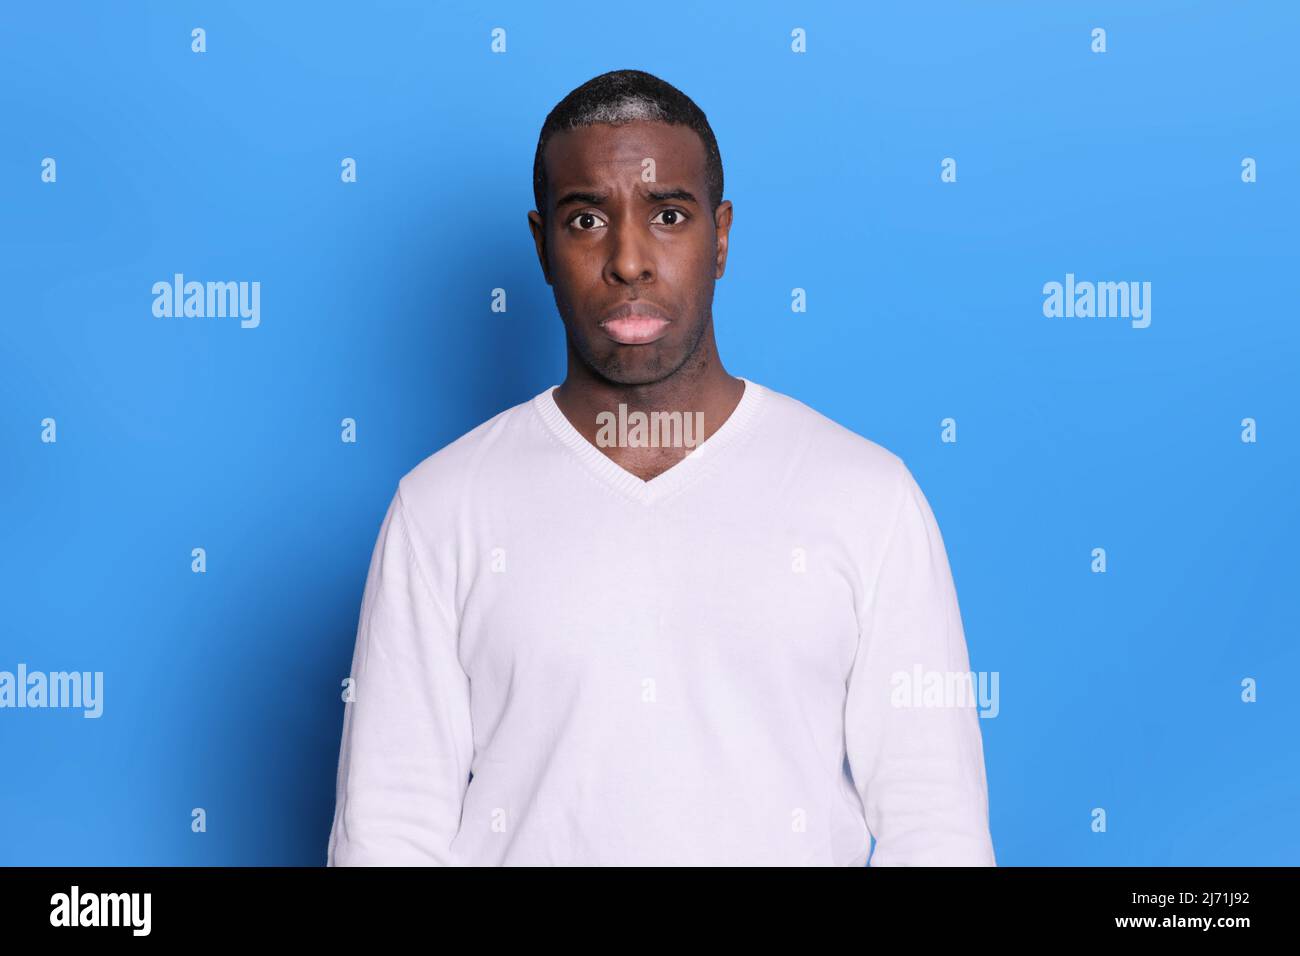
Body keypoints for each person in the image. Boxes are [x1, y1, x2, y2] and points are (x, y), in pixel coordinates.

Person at [326, 69, 995, 866]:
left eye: (669, 215)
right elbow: (387, 833)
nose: (629, 261)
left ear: (720, 236)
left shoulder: (867, 497)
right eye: (586, 220)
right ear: (541, 244)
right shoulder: (440, 509)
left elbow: (936, 828)